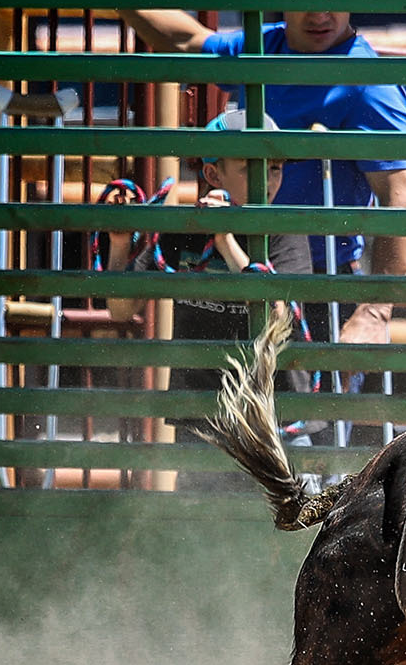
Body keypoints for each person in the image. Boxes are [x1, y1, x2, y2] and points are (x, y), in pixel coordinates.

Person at [115, 8, 406, 345]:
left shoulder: (369, 83)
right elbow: (185, 40)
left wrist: (373, 312)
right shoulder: (262, 44)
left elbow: (404, 196)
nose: (320, 14)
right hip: (229, 260)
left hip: (316, 282)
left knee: (300, 396)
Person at [101, 110, 322, 485]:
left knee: (294, 532)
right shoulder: (181, 232)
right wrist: (119, 246)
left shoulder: (285, 234)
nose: (266, 181)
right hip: (205, 421)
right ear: (212, 175)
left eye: (275, 168)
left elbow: (277, 319)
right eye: (249, 168)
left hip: (281, 419)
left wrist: (225, 239)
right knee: (205, 524)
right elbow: (121, 309)